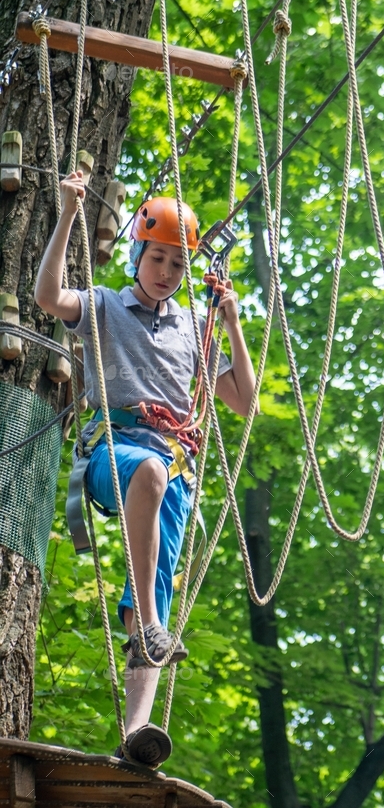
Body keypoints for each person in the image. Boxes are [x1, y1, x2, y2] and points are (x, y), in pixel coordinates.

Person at [35, 171, 257, 767]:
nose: (166, 273)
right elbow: (49, 298)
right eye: (157, 258)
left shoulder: (191, 327)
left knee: (154, 586)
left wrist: (231, 322)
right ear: (138, 254)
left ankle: (137, 732)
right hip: (114, 447)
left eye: (177, 266)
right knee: (150, 478)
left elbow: (243, 401)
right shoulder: (107, 305)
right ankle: (154, 624)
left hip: (173, 462)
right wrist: (66, 214)